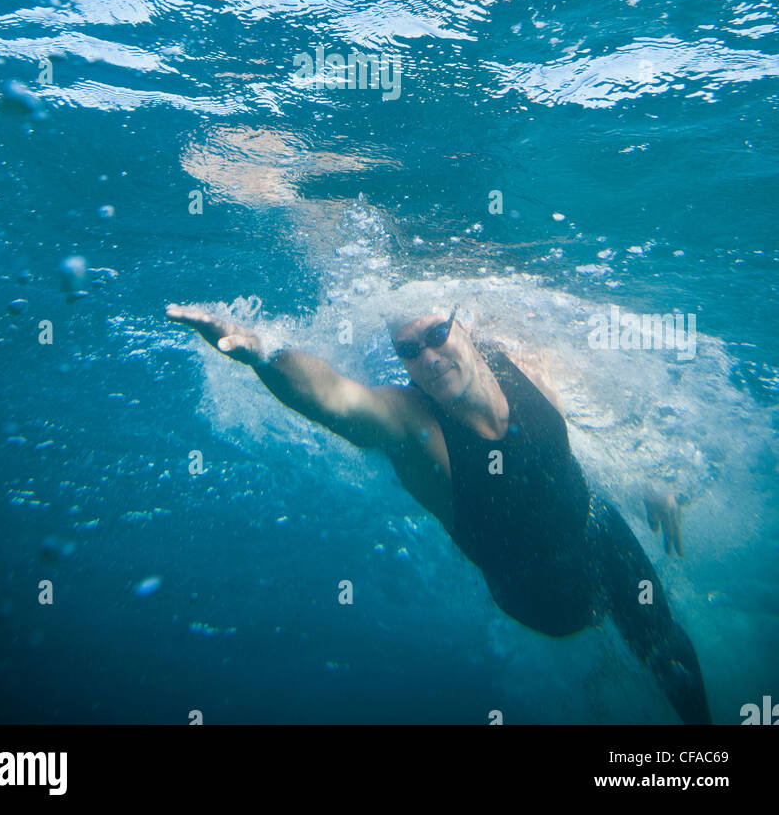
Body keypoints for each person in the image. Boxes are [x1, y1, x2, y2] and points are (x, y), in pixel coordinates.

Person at [166, 301, 711, 724]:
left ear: (464, 328)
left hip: (598, 528)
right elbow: (335, 398)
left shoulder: (518, 360)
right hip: (538, 594)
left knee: (668, 649)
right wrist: (266, 354)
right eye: (408, 350)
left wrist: (651, 479)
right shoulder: (411, 423)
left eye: (436, 335)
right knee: (607, 670)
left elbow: (594, 421)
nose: (427, 356)